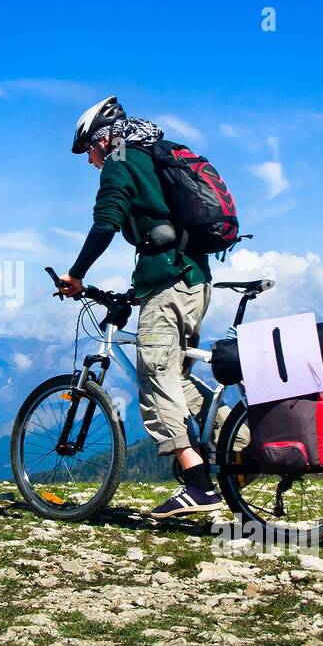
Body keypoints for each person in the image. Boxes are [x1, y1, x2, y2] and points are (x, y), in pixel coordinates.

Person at [57, 95, 226, 519]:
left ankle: (198, 483)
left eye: (88, 150)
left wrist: (76, 274)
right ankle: (238, 447)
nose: (90, 161)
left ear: (103, 139)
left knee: (153, 376)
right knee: (178, 379)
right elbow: (161, 229)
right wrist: (134, 295)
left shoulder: (121, 159)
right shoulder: (152, 154)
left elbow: (106, 222)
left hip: (169, 284)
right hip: (194, 282)